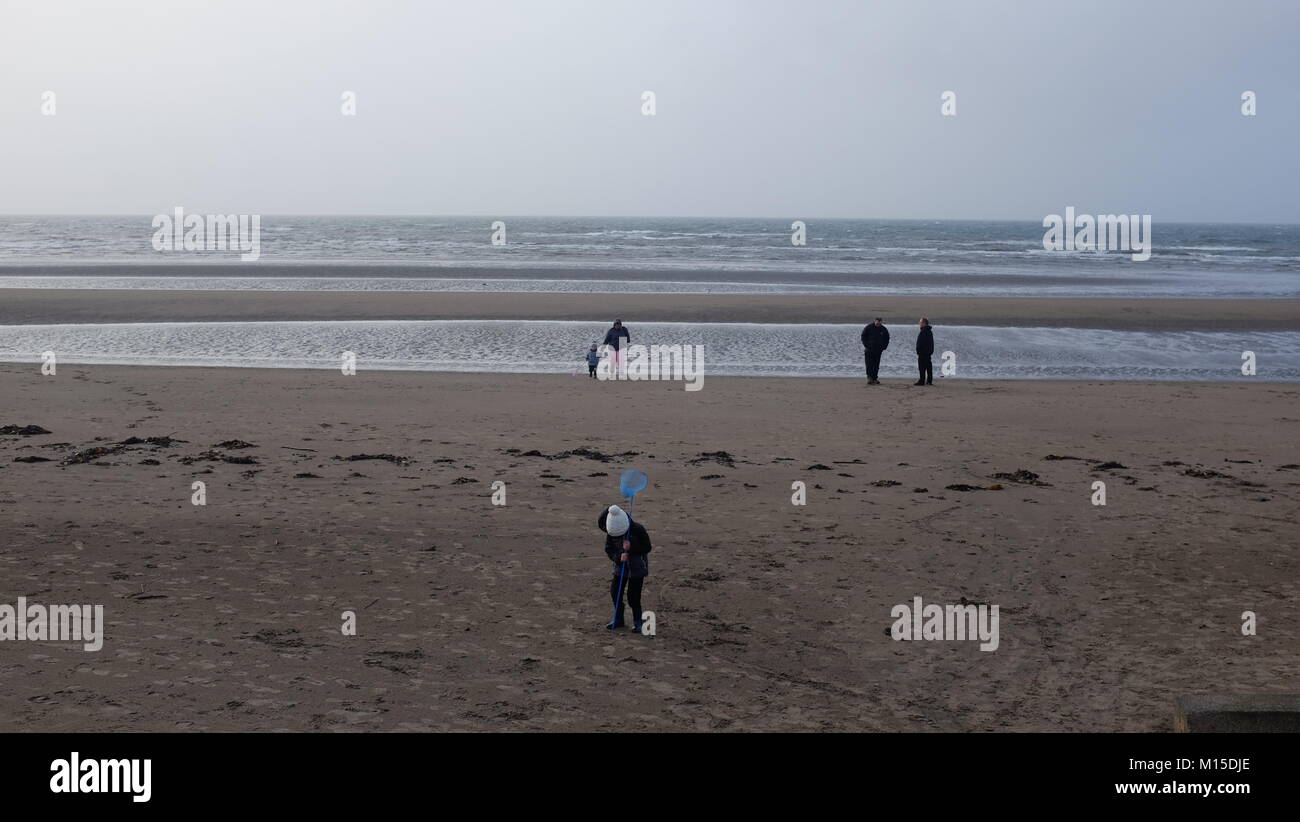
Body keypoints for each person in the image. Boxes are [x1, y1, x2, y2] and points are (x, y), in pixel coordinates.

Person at [598, 503, 651, 633]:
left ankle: (638, 621)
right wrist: (618, 557)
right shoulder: (611, 531)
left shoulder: (638, 529)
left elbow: (647, 547)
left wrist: (631, 548)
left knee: (634, 596)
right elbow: (609, 549)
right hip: (620, 568)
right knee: (615, 592)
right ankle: (618, 619)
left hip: (637, 569)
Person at [860, 317, 890, 384]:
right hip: (869, 350)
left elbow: (887, 338)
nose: (878, 323)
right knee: (869, 364)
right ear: (874, 321)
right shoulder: (868, 327)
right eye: (877, 322)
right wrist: (866, 345)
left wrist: (884, 347)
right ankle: (869, 378)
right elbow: (863, 337)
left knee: (876, 365)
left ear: (881, 322)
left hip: (878, 350)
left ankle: (875, 378)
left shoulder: (883, 329)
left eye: (879, 322)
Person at [914, 318, 934, 386]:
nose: (919, 324)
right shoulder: (928, 331)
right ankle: (929, 381)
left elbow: (921, 343)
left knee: (922, 367)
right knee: (928, 367)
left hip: (924, 353)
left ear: (924, 323)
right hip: (927, 352)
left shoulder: (924, 331)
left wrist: (918, 350)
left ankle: (922, 381)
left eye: (920, 322)